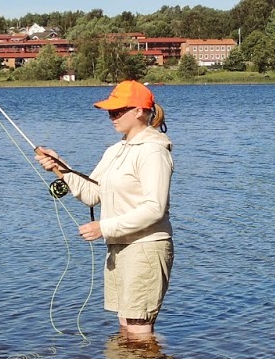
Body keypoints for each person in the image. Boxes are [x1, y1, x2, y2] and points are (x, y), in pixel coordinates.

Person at [35, 79, 174, 340]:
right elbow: (91, 193)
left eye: (118, 110)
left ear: (139, 111)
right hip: (119, 246)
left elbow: (155, 208)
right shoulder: (114, 151)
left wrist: (104, 227)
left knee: (138, 327)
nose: (112, 116)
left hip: (145, 247)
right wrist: (60, 166)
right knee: (127, 324)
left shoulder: (154, 152)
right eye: (110, 111)